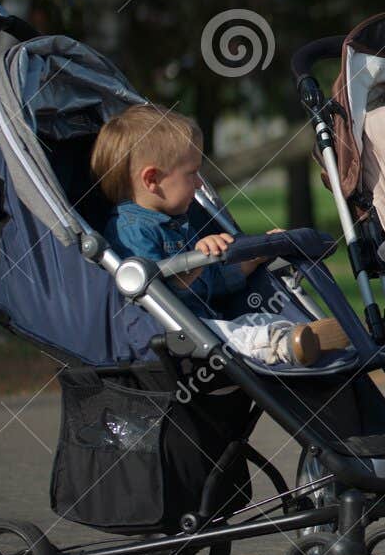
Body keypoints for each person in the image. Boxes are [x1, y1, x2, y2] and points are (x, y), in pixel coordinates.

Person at [92, 105, 344, 366]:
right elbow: (159, 296)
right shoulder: (130, 230)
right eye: (192, 173)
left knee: (252, 323)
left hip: (206, 324)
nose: (200, 183)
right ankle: (285, 344)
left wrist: (256, 254)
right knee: (231, 334)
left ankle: (303, 338)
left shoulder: (177, 223)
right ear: (152, 180)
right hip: (170, 336)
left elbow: (213, 281)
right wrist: (195, 260)